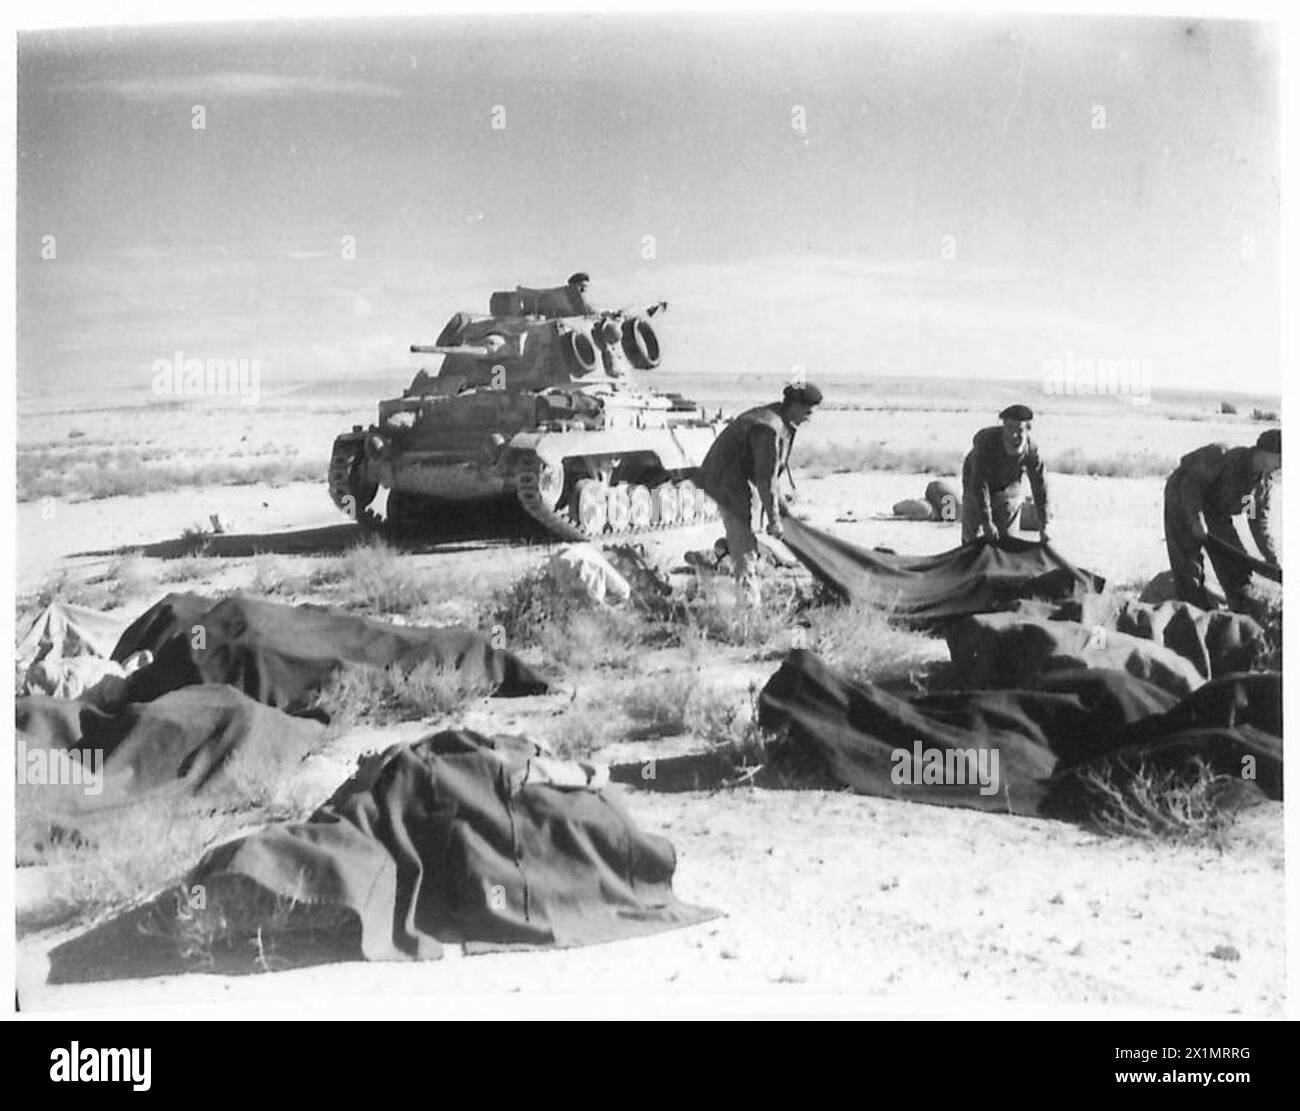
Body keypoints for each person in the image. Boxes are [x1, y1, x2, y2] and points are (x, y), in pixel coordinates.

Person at [697, 383, 823, 604]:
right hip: (726, 481)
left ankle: (726, 567)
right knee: (744, 543)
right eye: (808, 411)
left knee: (747, 536)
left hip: (736, 478)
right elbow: (765, 480)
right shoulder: (768, 428)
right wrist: (775, 521)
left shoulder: (778, 419)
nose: (809, 418)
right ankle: (748, 606)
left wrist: (783, 512)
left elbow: (768, 476)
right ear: (795, 406)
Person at [1164, 428, 1280, 611]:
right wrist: (1195, 519)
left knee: (1234, 560)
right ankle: (1194, 613)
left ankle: (1240, 607)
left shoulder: (1260, 483)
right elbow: (1191, 484)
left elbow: (1254, 519)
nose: (1282, 465)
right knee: (1189, 560)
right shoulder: (1224, 457)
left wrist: (1271, 558)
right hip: (1182, 496)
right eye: (1281, 458)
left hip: (1216, 508)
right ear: (1266, 453)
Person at [960, 404, 1050, 545]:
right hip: (976, 477)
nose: (1013, 435)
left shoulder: (1031, 452)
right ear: (1003, 428)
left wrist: (1044, 526)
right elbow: (979, 484)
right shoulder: (986, 443)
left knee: (1006, 539)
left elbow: (1040, 488)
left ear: (1027, 430)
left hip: (1009, 481)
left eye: (1019, 430)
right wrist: (987, 521)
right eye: (1009, 428)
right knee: (973, 530)